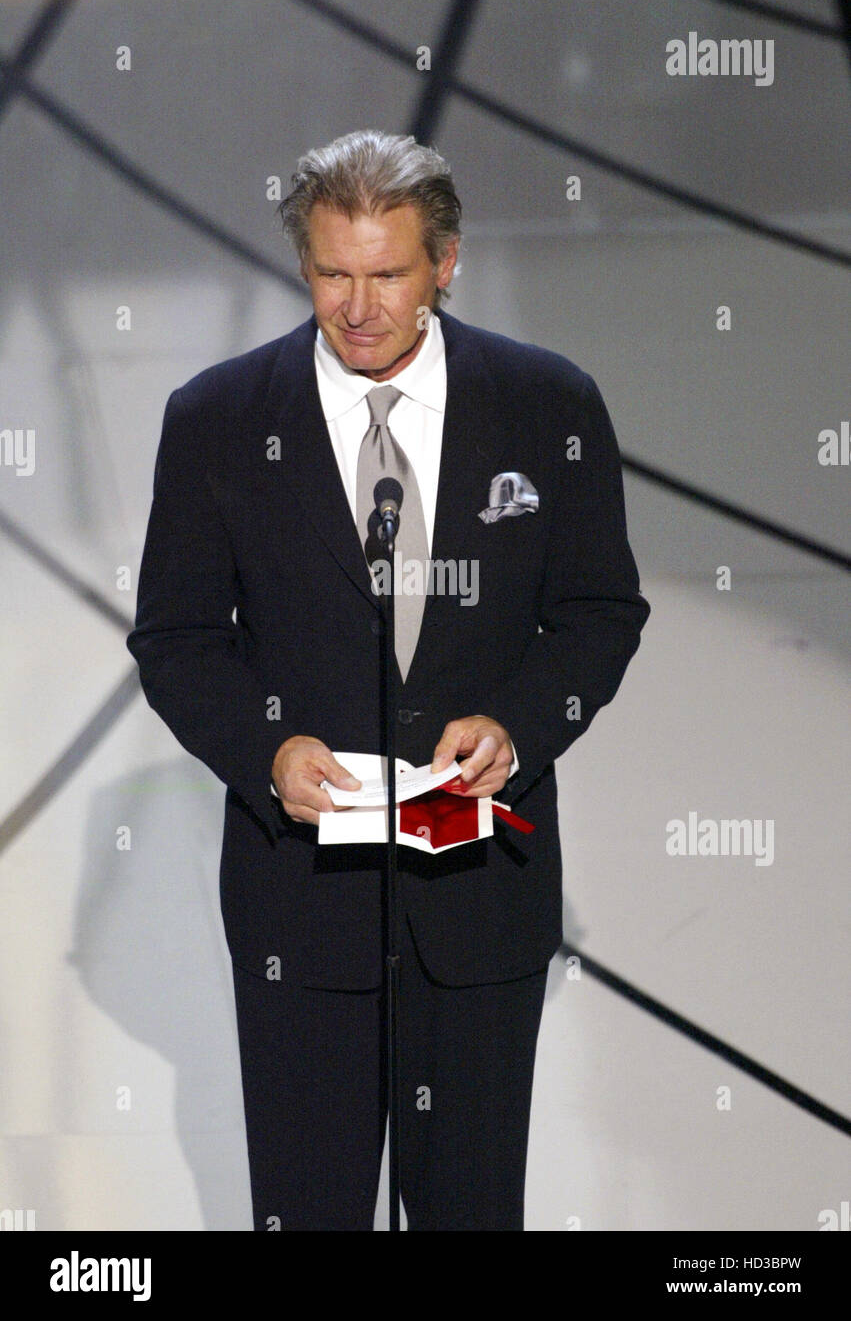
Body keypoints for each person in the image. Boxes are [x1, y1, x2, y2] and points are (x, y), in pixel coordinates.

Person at [127, 129, 650, 1231]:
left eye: (388, 274)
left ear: (445, 263)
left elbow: (600, 611)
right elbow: (175, 638)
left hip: (480, 900)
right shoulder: (217, 421)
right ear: (302, 264)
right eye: (331, 273)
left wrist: (515, 726)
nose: (357, 305)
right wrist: (265, 750)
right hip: (298, 904)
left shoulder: (547, 405)